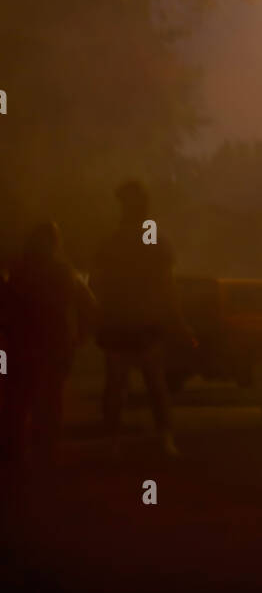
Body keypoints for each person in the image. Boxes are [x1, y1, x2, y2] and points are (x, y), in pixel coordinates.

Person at [91, 180, 188, 457]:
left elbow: (164, 283)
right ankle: (126, 439)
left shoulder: (124, 237)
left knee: (137, 384)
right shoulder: (127, 237)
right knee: (135, 384)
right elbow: (165, 283)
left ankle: (129, 440)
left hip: (134, 321)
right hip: (130, 321)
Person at [0, 221, 95, 465]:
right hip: (48, 345)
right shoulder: (60, 271)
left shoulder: (21, 270)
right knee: (43, 400)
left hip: (29, 345)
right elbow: (90, 306)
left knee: (21, 400)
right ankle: (41, 453)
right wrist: (79, 335)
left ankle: (23, 453)